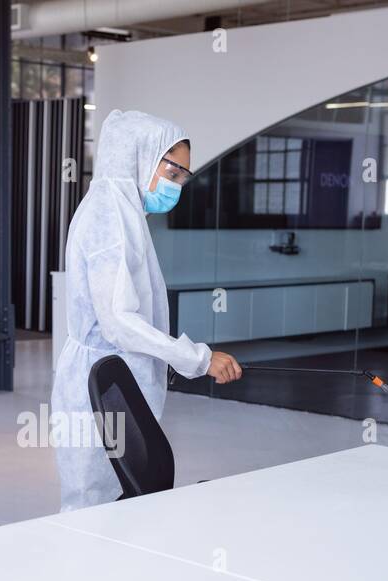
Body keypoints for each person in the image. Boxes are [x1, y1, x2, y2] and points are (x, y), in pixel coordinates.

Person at [51, 109, 241, 512]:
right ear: (138, 158)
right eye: (172, 174)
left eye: (182, 179)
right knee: (92, 505)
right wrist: (197, 358)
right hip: (101, 385)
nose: (176, 188)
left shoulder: (124, 213)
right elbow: (118, 322)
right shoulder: (108, 218)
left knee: (121, 502)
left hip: (118, 380)